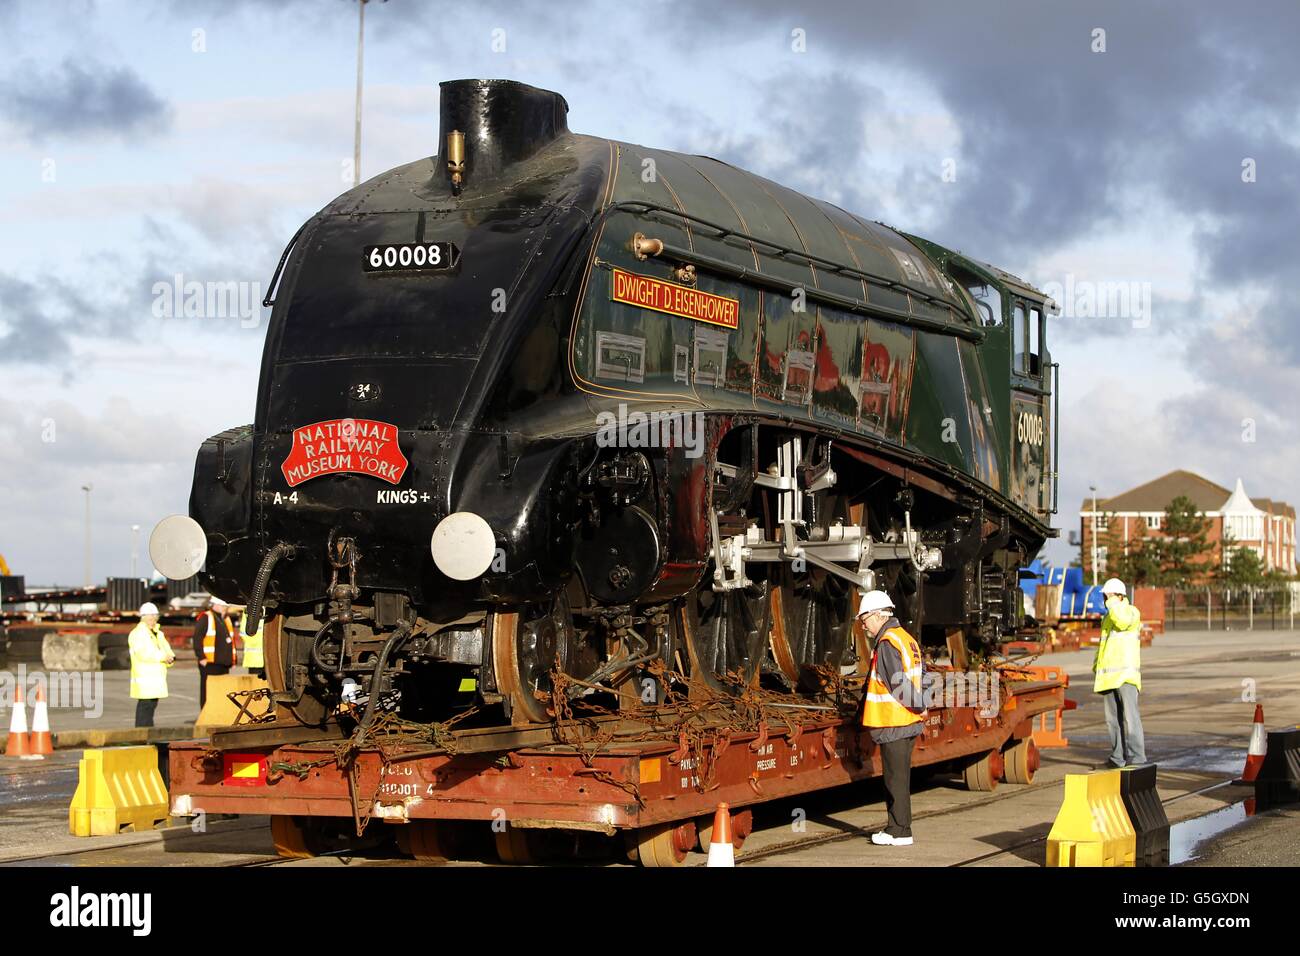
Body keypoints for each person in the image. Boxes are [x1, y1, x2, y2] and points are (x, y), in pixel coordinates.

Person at [858, 589, 927, 846]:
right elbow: (923, 676)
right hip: (906, 722)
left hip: (894, 722)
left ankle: (899, 831)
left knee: (895, 779)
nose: (863, 626)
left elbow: (898, 684)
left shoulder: (887, 643)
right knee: (899, 778)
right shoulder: (906, 639)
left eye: (865, 619)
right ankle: (898, 828)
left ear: (878, 615)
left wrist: (919, 705)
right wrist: (922, 704)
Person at [1094, 577, 1146, 768]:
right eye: (1105, 597)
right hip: (1109, 678)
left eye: (1109, 596)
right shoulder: (1108, 617)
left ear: (1119, 596)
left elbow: (1122, 622)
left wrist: (1113, 602)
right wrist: (1096, 666)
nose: (1106, 600)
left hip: (1126, 677)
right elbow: (1104, 646)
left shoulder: (1131, 612)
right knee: (1112, 721)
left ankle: (1138, 758)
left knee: (1131, 718)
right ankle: (1118, 758)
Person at [128, 602, 174, 728]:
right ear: (143, 617)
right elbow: (143, 653)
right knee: (145, 707)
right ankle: (141, 735)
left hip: (156, 678)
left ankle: (148, 734)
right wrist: (163, 657)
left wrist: (170, 657)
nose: (153, 619)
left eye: (154, 616)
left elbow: (166, 649)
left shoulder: (158, 633)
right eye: (150, 616)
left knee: (151, 706)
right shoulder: (138, 634)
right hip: (145, 678)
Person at [193, 596, 236, 709]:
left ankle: (218, 713)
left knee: (221, 692)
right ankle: (206, 712)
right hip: (210, 664)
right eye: (223, 606)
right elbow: (197, 638)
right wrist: (201, 657)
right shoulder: (206, 617)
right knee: (208, 692)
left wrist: (232, 660)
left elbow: (231, 641)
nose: (225, 609)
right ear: (216, 605)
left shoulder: (225, 619)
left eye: (226, 607)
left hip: (224, 664)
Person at [238, 606, 266, 680]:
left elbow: (243, 633)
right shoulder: (249, 611)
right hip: (256, 660)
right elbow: (244, 633)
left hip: (259, 659)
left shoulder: (249, 610)